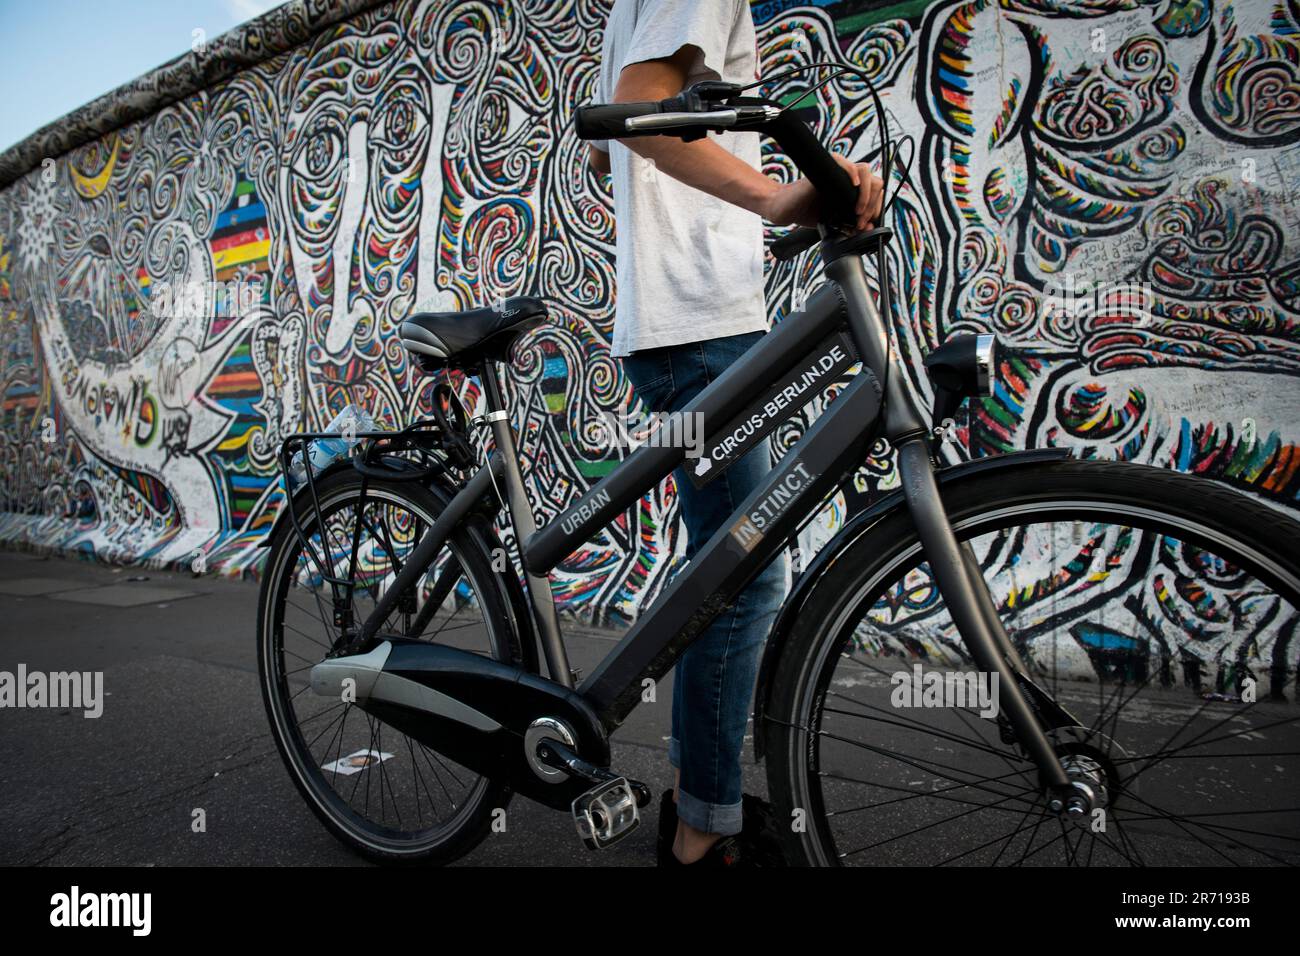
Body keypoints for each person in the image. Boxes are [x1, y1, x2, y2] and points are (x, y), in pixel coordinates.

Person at [587, 0, 884, 866]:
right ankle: (700, 838)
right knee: (743, 578)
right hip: (695, 326)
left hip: (696, 317)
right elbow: (639, 108)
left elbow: (626, 134)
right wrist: (775, 194)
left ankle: (696, 796)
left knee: (724, 568)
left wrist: (756, 228)